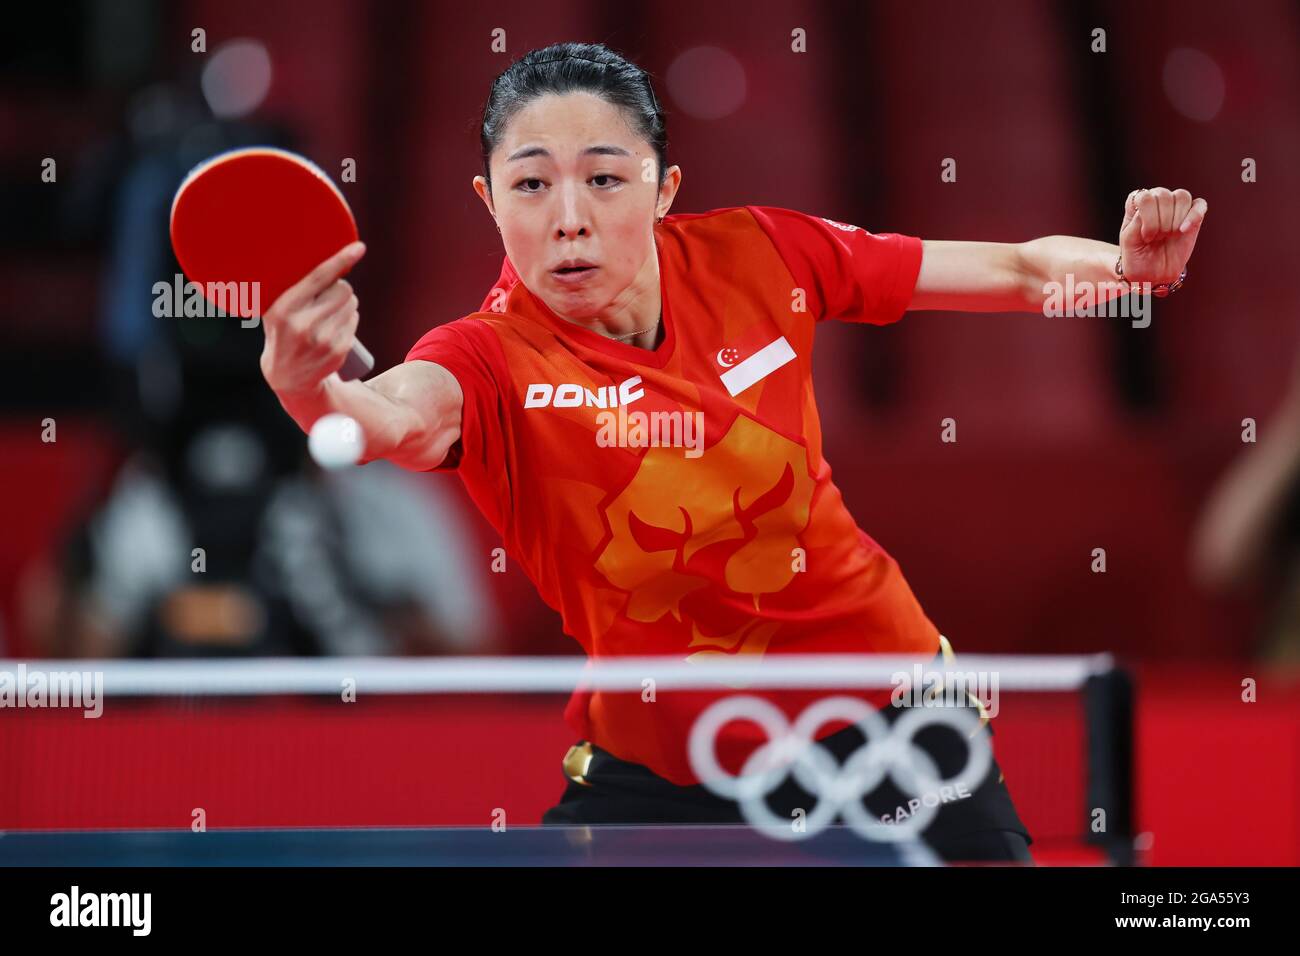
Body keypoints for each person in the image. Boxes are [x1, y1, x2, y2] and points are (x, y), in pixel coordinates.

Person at [257, 41, 1207, 862]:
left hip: (887, 717)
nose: (568, 217)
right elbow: (380, 418)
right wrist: (306, 384)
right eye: (531, 183)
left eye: (605, 178)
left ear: (665, 188)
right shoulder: (487, 359)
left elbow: (1018, 268)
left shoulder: (764, 256)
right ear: (488, 199)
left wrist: (1127, 270)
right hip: (666, 763)